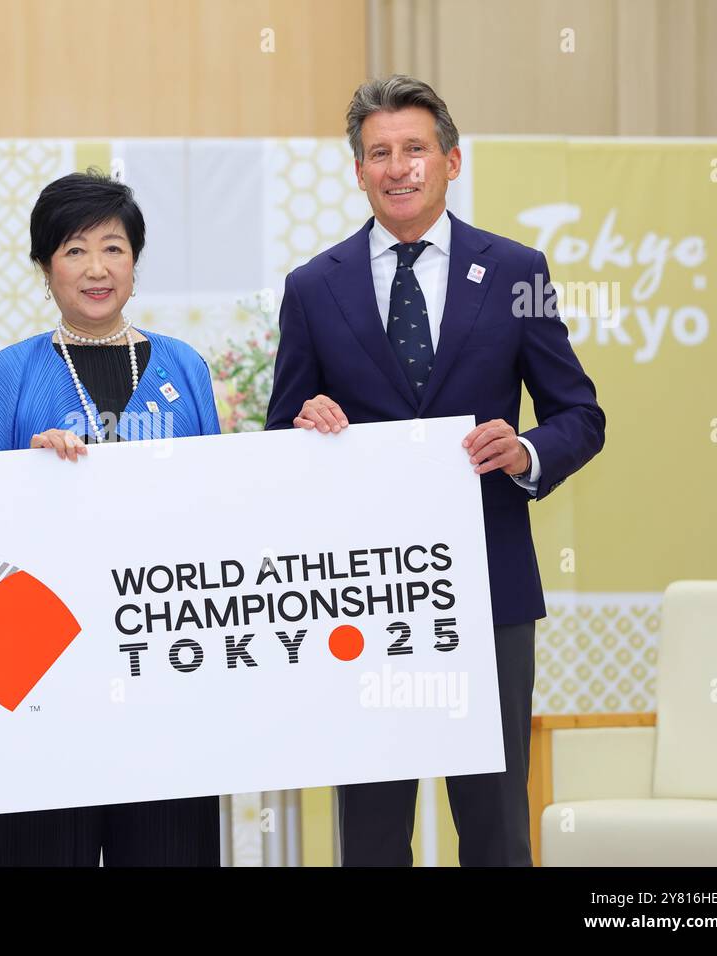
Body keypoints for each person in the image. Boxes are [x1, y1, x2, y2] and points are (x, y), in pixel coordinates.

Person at [265, 75, 605, 866]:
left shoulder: (517, 271)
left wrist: (524, 451)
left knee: (494, 829)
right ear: (358, 172)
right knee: (374, 835)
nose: (398, 167)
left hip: (490, 592)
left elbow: (579, 416)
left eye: (415, 149)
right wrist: (304, 423)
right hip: (363, 599)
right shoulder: (314, 288)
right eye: (379, 153)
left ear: (451, 160)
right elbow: (283, 428)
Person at [0, 171, 221, 866]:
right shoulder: (10, 373)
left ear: (136, 263)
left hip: (167, 671)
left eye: (114, 247)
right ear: (46, 267)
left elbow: (221, 511)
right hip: (46, 674)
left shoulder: (184, 366)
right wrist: (24, 469)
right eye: (75, 250)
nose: (97, 268)